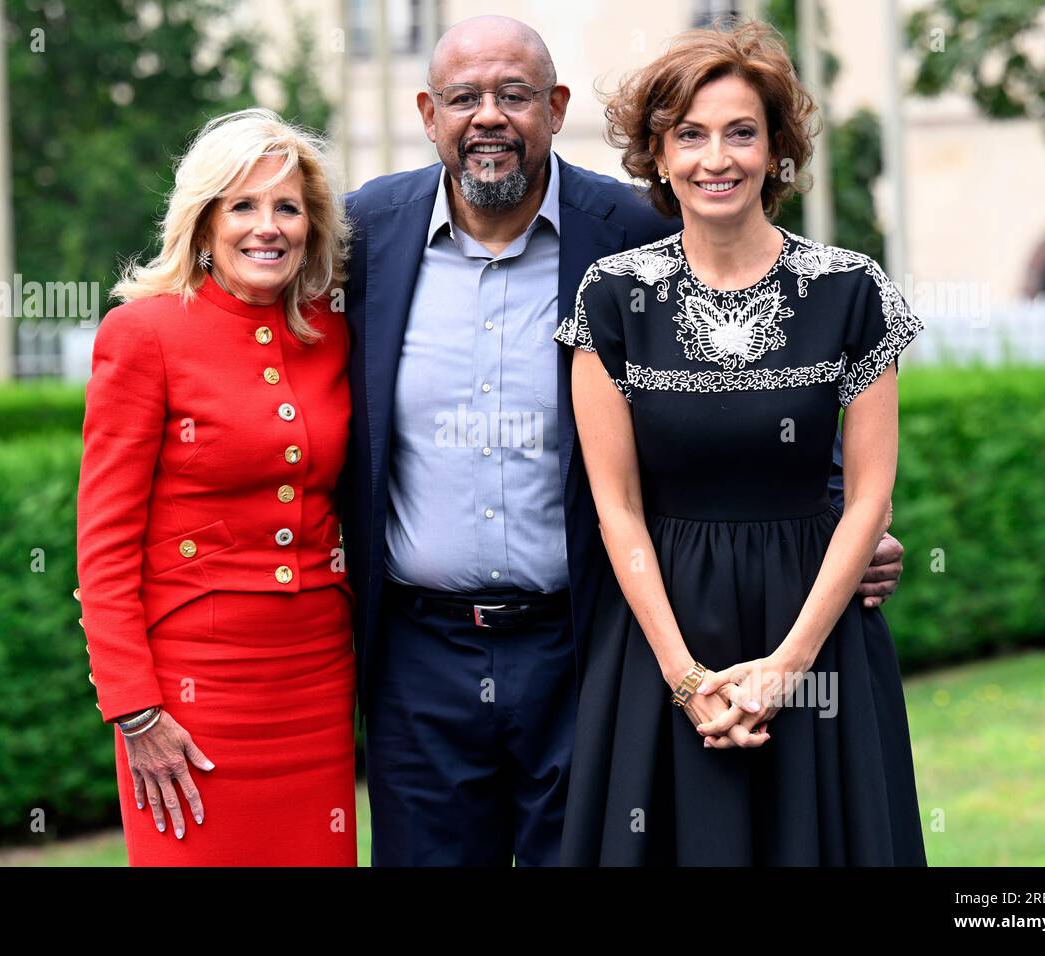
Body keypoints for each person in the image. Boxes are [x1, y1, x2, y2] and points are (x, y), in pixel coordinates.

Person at [341, 15, 907, 867]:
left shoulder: (625, 235)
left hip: (583, 639)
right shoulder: (363, 233)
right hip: (427, 653)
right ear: (428, 113)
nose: (488, 115)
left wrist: (839, 528)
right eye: (464, 97)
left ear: (556, 107)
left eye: (515, 94)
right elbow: (267, 363)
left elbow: (784, 410)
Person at [555, 22, 928, 865]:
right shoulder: (610, 298)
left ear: (776, 148)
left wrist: (786, 668)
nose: (713, 158)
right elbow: (616, 507)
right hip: (660, 638)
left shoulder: (849, 290)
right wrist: (689, 680)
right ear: (656, 153)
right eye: (688, 134)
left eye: (740, 132)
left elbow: (870, 497)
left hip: (817, 628)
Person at [75, 108, 356, 866]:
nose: (267, 227)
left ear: (311, 228)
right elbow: (102, 546)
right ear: (204, 225)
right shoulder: (144, 334)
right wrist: (134, 711)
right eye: (243, 205)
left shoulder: (333, 331)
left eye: (287, 207)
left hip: (316, 677)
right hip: (193, 690)